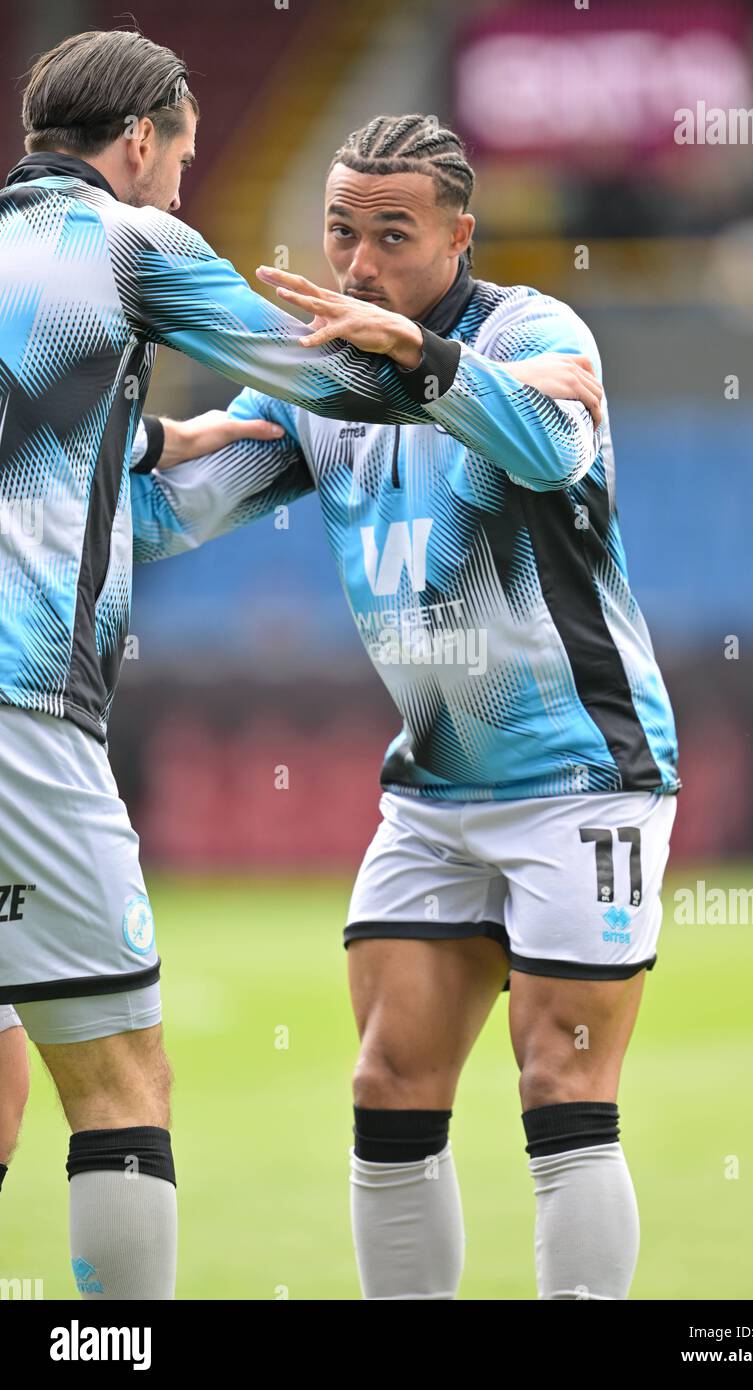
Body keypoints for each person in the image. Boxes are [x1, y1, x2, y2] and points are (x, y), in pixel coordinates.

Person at [114, 113, 678, 1300]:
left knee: (559, 1084)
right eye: (338, 232)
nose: (357, 264)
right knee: (385, 1082)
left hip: (580, 773)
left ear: (459, 235)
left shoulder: (533, 332)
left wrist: (419, 359)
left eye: (390, 235)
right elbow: (169, 521)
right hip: (433, 788)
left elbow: (547, 452)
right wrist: (100, 450)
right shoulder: (322, 378)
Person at [0, 33, 519, 1301]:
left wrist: (164, 431)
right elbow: (336, 381)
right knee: (118, 1079)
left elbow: (41, 413)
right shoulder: (128, 244)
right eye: (180, 156)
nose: (183, 183)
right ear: (136, 144)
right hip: (18, 705)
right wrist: (473, 371)